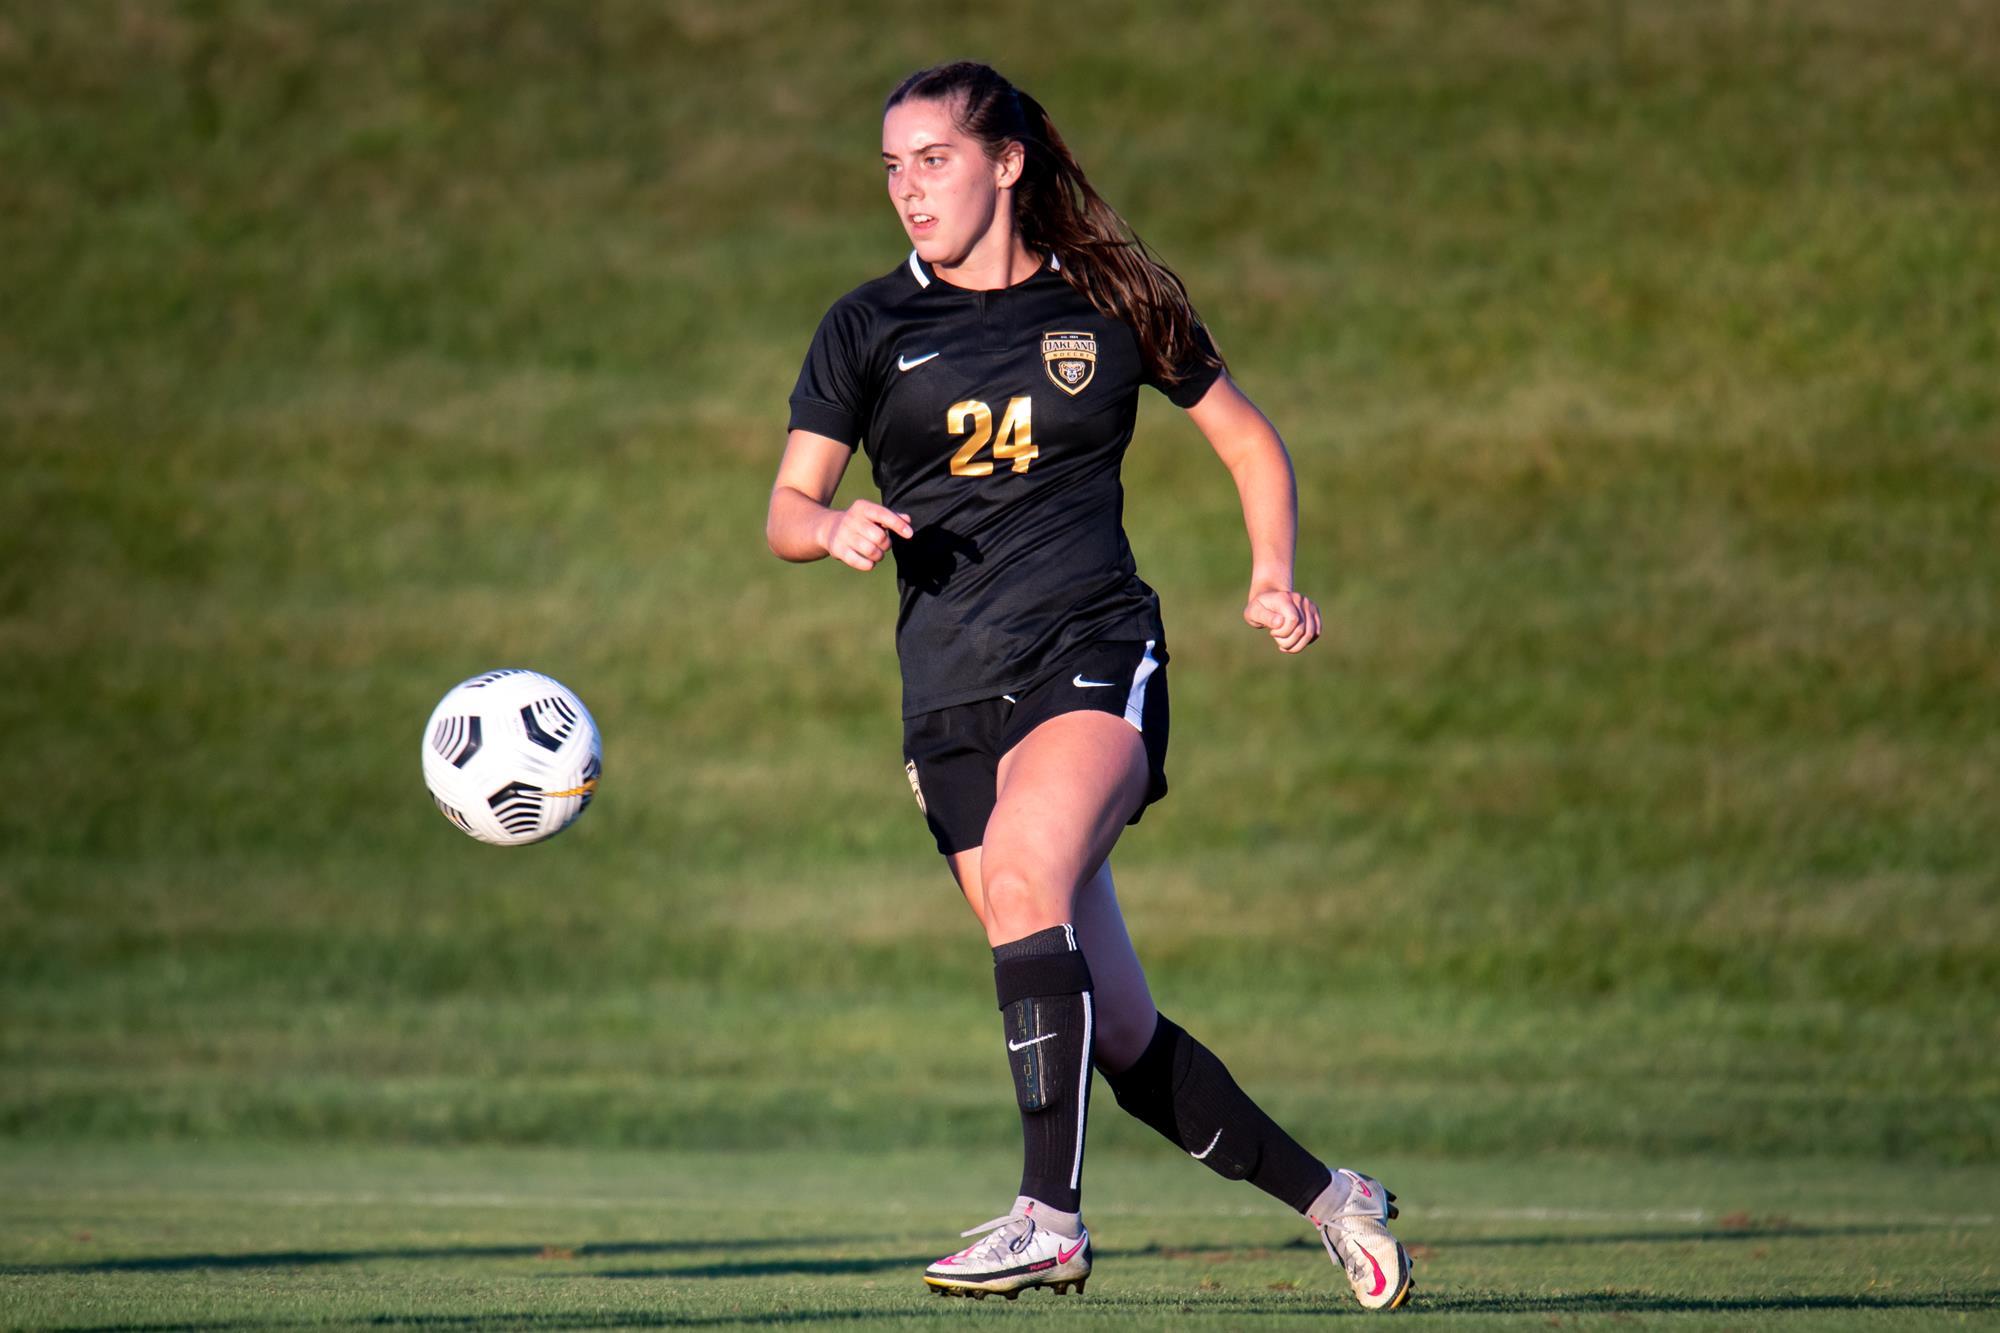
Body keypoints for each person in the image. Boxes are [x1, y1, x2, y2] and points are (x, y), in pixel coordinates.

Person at [765, 61, 1412, 1312]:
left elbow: (1243, 437)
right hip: (948, 699)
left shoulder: (1109, 298)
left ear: (1005, 162)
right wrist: (829, 524)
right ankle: (1338, 1200)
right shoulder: (862, 326)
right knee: (1115, 1032)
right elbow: (784, 508)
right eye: (892, 166)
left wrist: (1271, 573)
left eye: (934, 160)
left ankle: (1046, 1217)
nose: (908, 189)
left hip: (1092, 649)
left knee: (1022, 878)